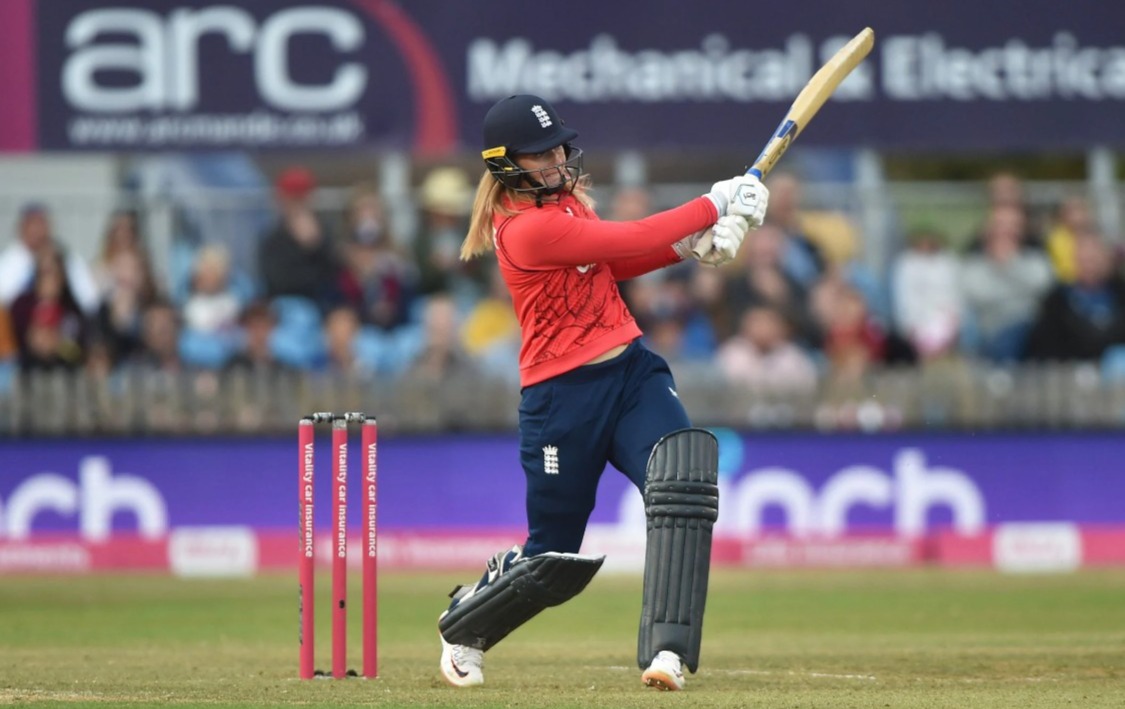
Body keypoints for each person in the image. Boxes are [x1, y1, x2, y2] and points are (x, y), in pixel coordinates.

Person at [435, 94, 769, 691]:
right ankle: (468, 621)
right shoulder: (525, 229)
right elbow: (629, 235)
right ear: (507, 164)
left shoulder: (565, 205)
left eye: (558, 146)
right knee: (553, 559)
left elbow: (615, 263)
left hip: (631, 375)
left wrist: (692, 247)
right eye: (541, 154)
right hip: (561, 400)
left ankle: (668, 652)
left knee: (683, 484)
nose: (557, 158)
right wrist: (713, 203)